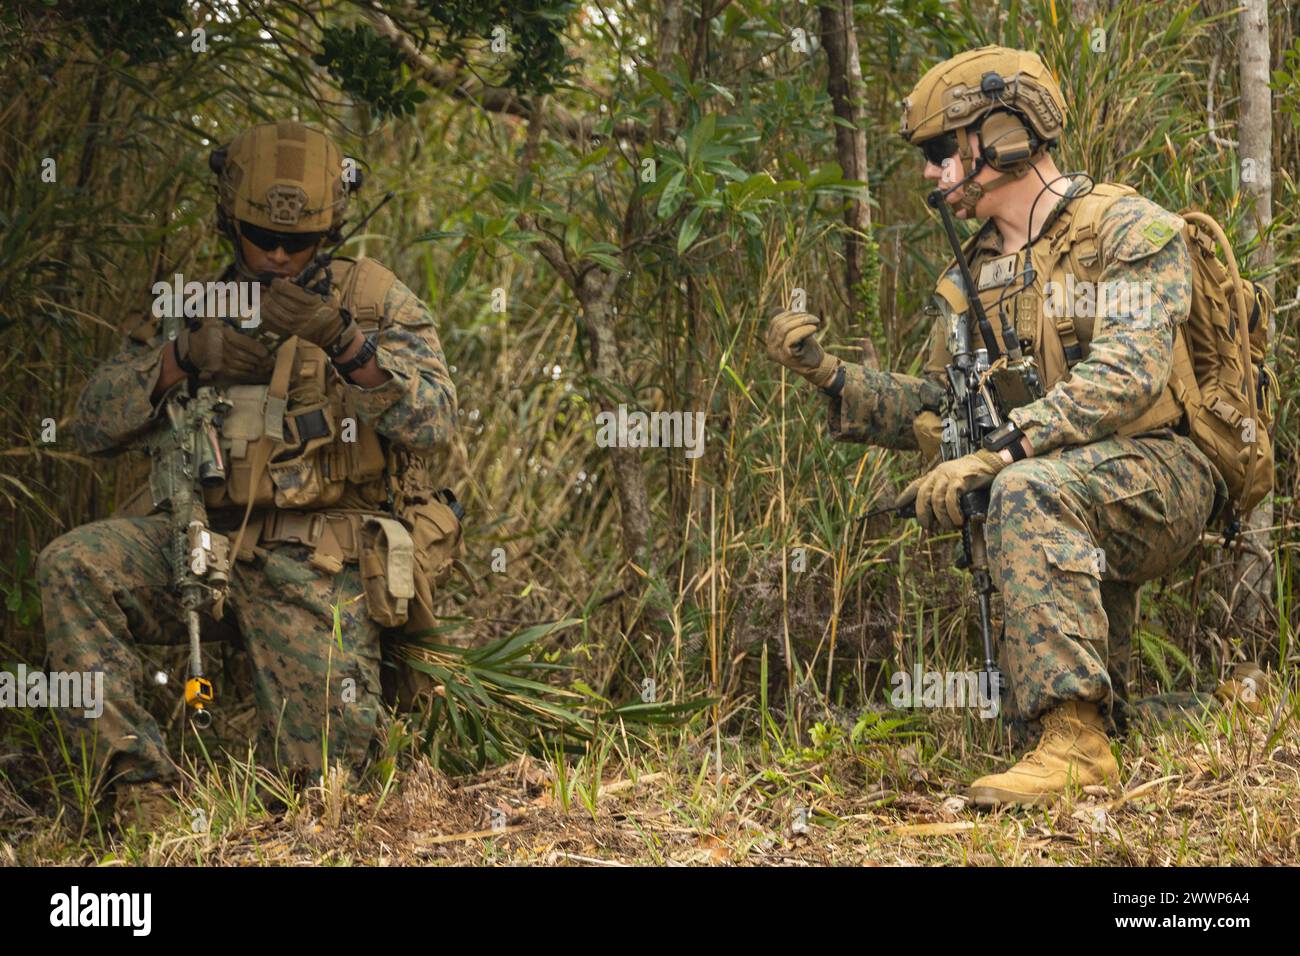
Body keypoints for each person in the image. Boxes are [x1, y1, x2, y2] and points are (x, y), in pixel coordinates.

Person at [766, 46, 1244, 809]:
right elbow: (944, 405)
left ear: (1002, 135)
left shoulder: (1127, 228)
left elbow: (1128, 375)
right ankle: (1124, 715)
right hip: (1072, 481)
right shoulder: (975, 271)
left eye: (937, 152)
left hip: (1165, 473)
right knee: (1029, 490)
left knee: (1023, 488)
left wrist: (1003, 452)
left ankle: (1075, 744)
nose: (929, 173)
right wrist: (830, 375)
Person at [37, 120, 458, 828]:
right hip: (201, 546)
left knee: (330, 793)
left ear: (329, 233)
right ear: (229, 224)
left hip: (316, 559)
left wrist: (344, 343)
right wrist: (181, 359)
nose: (279, 256)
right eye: (262, 237)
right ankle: (138, 792)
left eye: (300, 243)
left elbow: (434, 420)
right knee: (73, 565)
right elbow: (91, 424)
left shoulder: (374, 300)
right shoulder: (196, 303)